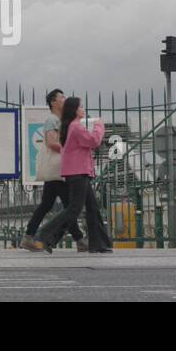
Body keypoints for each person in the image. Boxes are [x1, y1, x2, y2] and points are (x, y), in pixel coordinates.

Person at [37, 97, 113, 253]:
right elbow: (93, 141)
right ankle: (46, 233)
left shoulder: (72, 126)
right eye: (81, 107)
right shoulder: (76, 127)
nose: (83, 109)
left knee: (92, 208)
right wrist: (99, 125)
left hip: (80, 171)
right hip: (78, 172)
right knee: (74, 209)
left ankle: (98, 244)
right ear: (74, 110)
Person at [21, 89, 88, 252]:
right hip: (58, 168)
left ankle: (30, 236)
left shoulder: (60, 119)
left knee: (50, 204)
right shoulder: (52, 120)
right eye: (61, 97)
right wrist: (71, 150)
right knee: (70, 206)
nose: (64, 99)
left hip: (58, 169)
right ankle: (79, 239)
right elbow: (52, 142)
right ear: (53, 102)